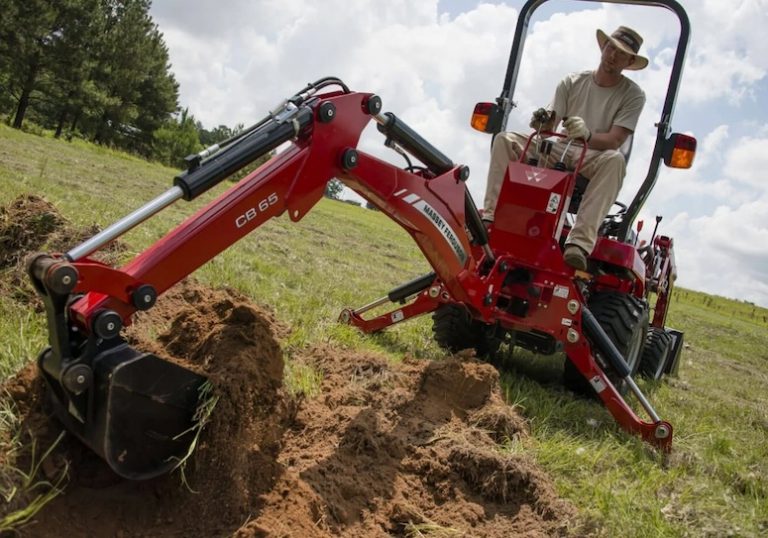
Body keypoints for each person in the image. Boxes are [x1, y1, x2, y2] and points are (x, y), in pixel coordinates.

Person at [482, 26, 648, 271]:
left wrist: (588, 135)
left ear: (630, 60)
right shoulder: (572, 81)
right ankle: (490, 218)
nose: (613, 55)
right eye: (611, 47)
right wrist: (541, 121)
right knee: (506, 140)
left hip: (594, 156)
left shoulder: (633, 95)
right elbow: (551, 124)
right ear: (603, 46)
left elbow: (615, 140)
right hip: (559, 148)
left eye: (621, 53)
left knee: (615, 161)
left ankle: (578, 244)